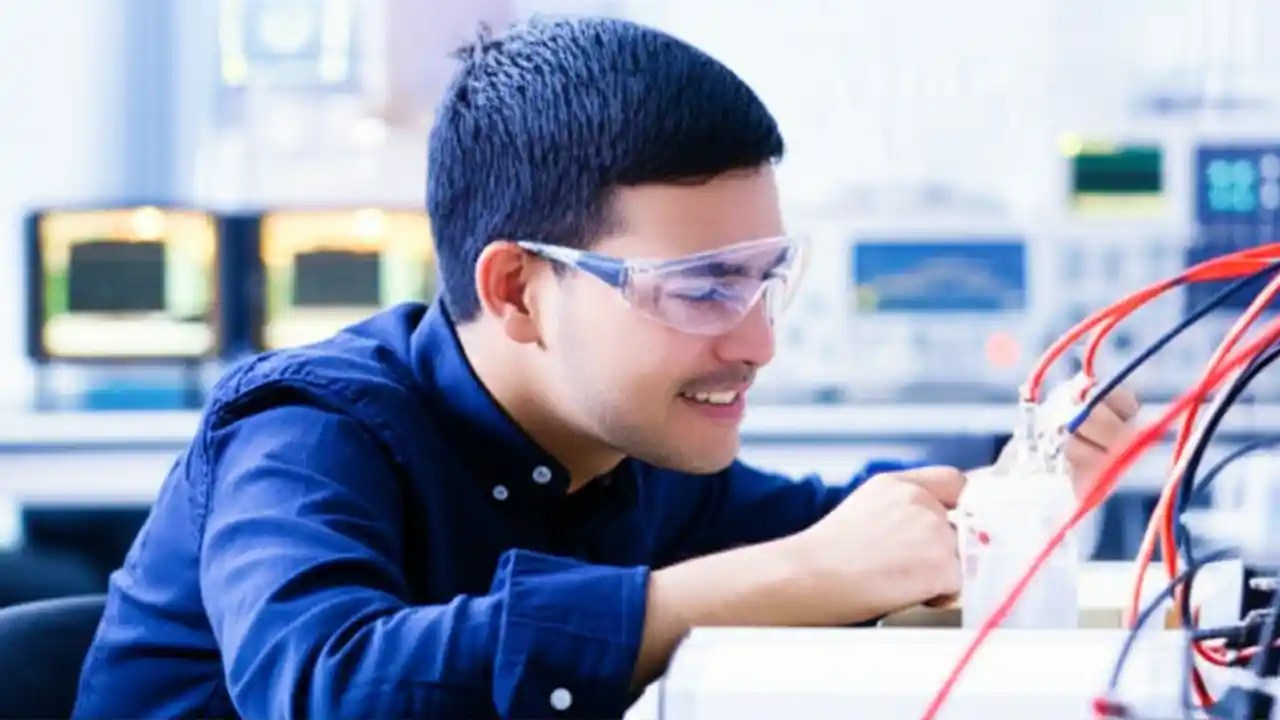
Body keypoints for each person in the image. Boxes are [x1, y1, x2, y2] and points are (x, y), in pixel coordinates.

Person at [72, 16, 1139, 720]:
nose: (756, 339)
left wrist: (1023, 472)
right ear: (516, 291)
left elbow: (839, 524)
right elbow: (327, 681)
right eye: (702, 285)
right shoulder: (310, 428)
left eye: (766, 277)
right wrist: (791, 580)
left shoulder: (626, 452)